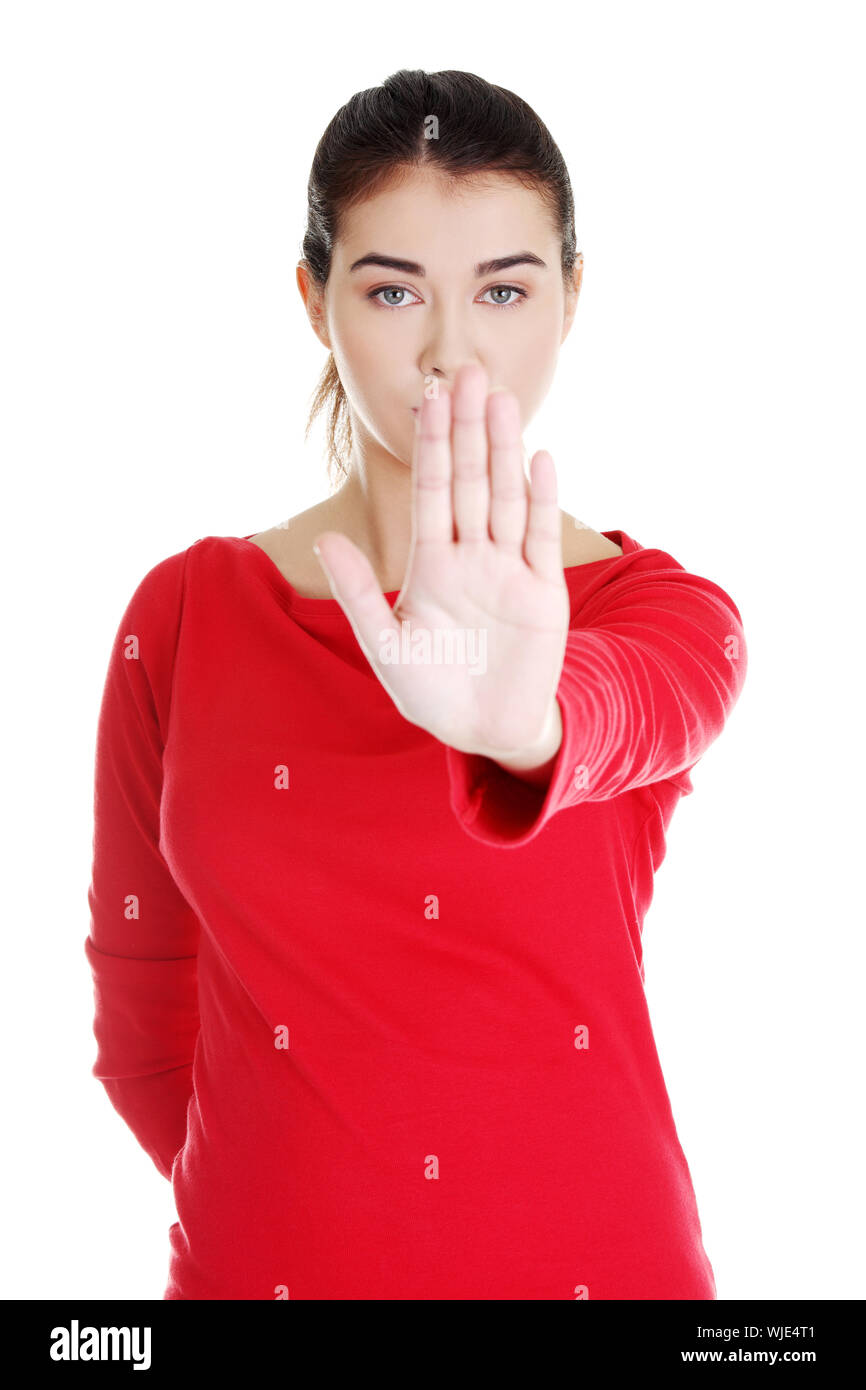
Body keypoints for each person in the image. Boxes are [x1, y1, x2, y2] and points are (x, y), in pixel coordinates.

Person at [84, 68, 748, 1300]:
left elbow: (639, 705)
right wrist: (298, 1211)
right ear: (313, 298)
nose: (451, 350)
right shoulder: (180, 616)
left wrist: (525, 722)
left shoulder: (660, 614)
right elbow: (141, 1015)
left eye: (504, 288)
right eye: (393, 289)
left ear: (571, 299)